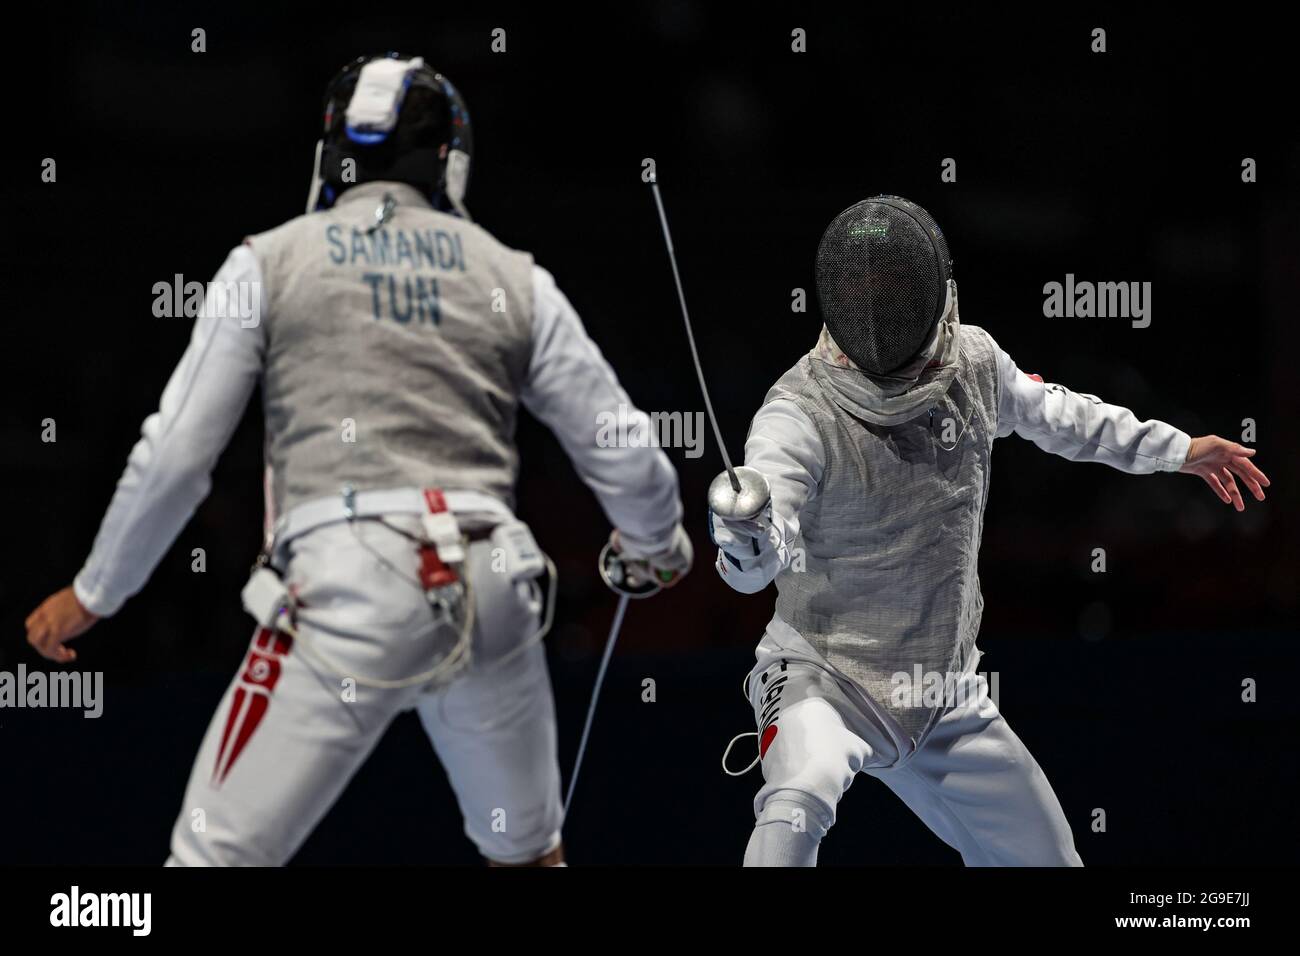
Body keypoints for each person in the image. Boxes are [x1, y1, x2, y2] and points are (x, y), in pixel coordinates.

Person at [24, 53, 691, 866]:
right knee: (527, 856)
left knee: (212, 858)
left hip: (348, 581)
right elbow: (620, 445)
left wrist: (96, 591)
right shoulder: (515, 278)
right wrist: (655, 542)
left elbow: (176, 455)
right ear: (449, 159)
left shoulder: (269, 261)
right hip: (491, 581)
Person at [710, 195, 1268, 866]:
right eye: (866, 290)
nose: (880, 309)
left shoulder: (973, 363)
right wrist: (746, 538)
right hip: (825, 678)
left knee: (1050, 858)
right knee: (798, 796)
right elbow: (758, 554)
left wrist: (1179, 450)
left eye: (892, 287)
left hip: (942, 694)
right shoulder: (797, 412)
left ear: (933, 291)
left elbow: (1065, 418)